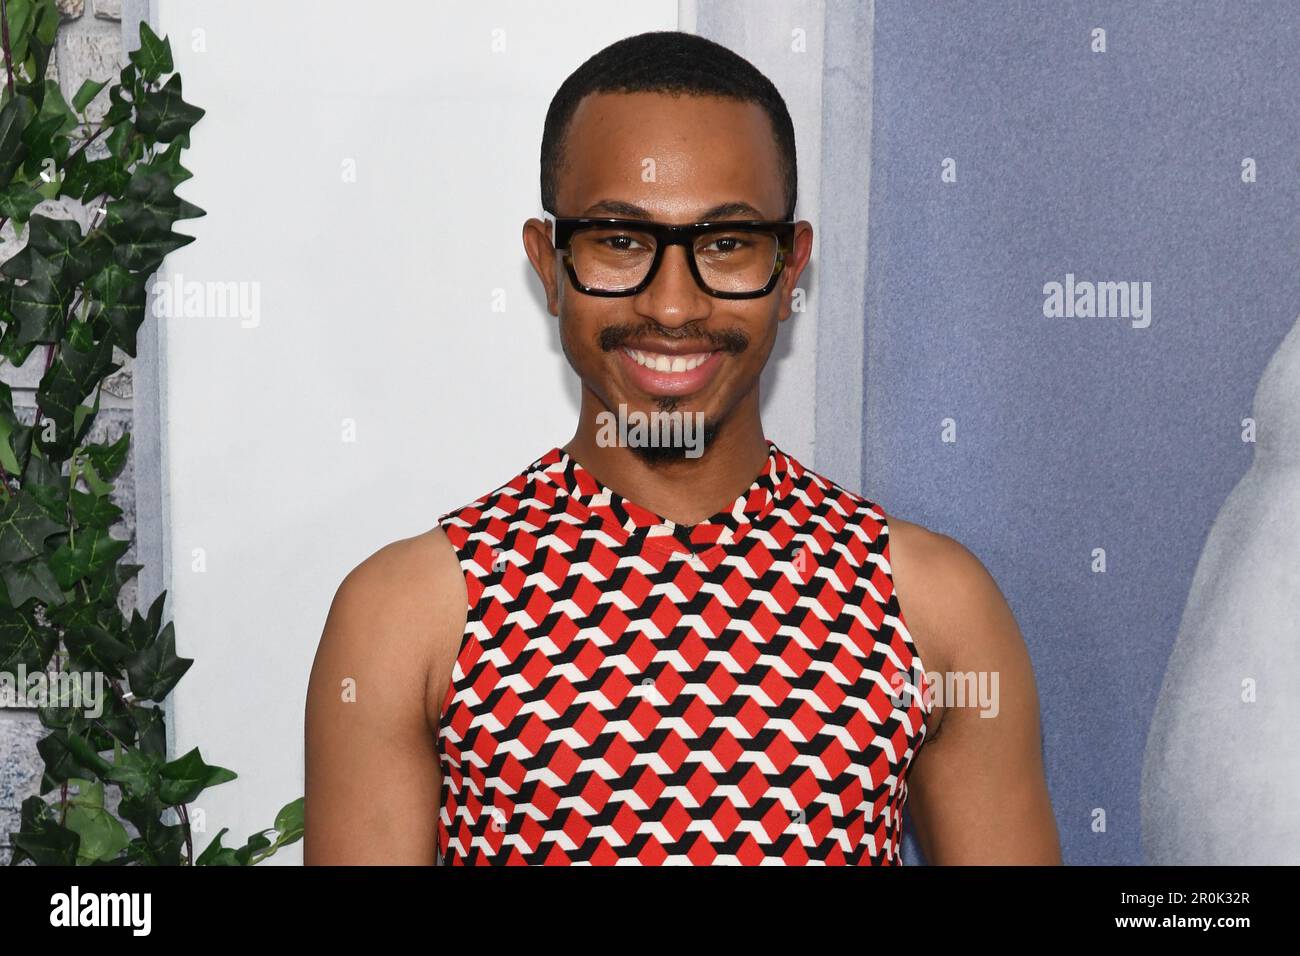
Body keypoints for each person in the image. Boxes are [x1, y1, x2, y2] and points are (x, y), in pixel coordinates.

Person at [304, 30, 1060, 865]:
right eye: (620, 241)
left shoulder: (931, 608)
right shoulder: (407, 615)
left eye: (727, 245)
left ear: (790, 266)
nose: (672, 306)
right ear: (548, 266)